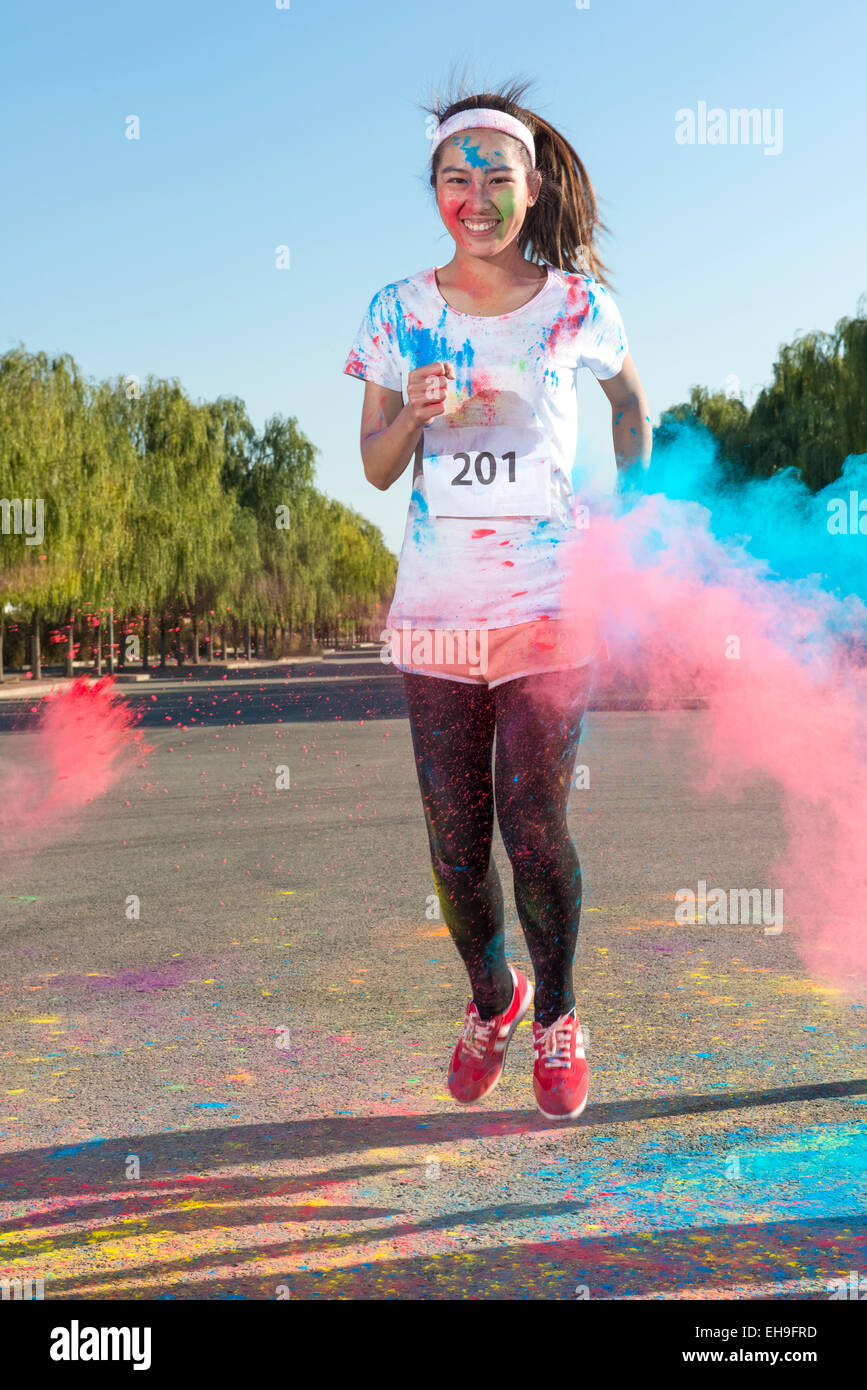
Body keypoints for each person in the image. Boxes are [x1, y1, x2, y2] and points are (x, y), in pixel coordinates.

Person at [342, 79, 651, 1120]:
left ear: (532, 187)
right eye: (454, 177)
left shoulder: (576, 304)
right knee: (453, 844)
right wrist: (414, 414)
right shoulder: (397, 310)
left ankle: (558, 1013)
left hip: (550, 605)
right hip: (438, 614)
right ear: (433, 188)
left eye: (496, 177)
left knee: (531, 822)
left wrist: (628, 515)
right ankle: (495, 997)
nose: (475, 197)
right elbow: (375, 466)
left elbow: (630, 404)